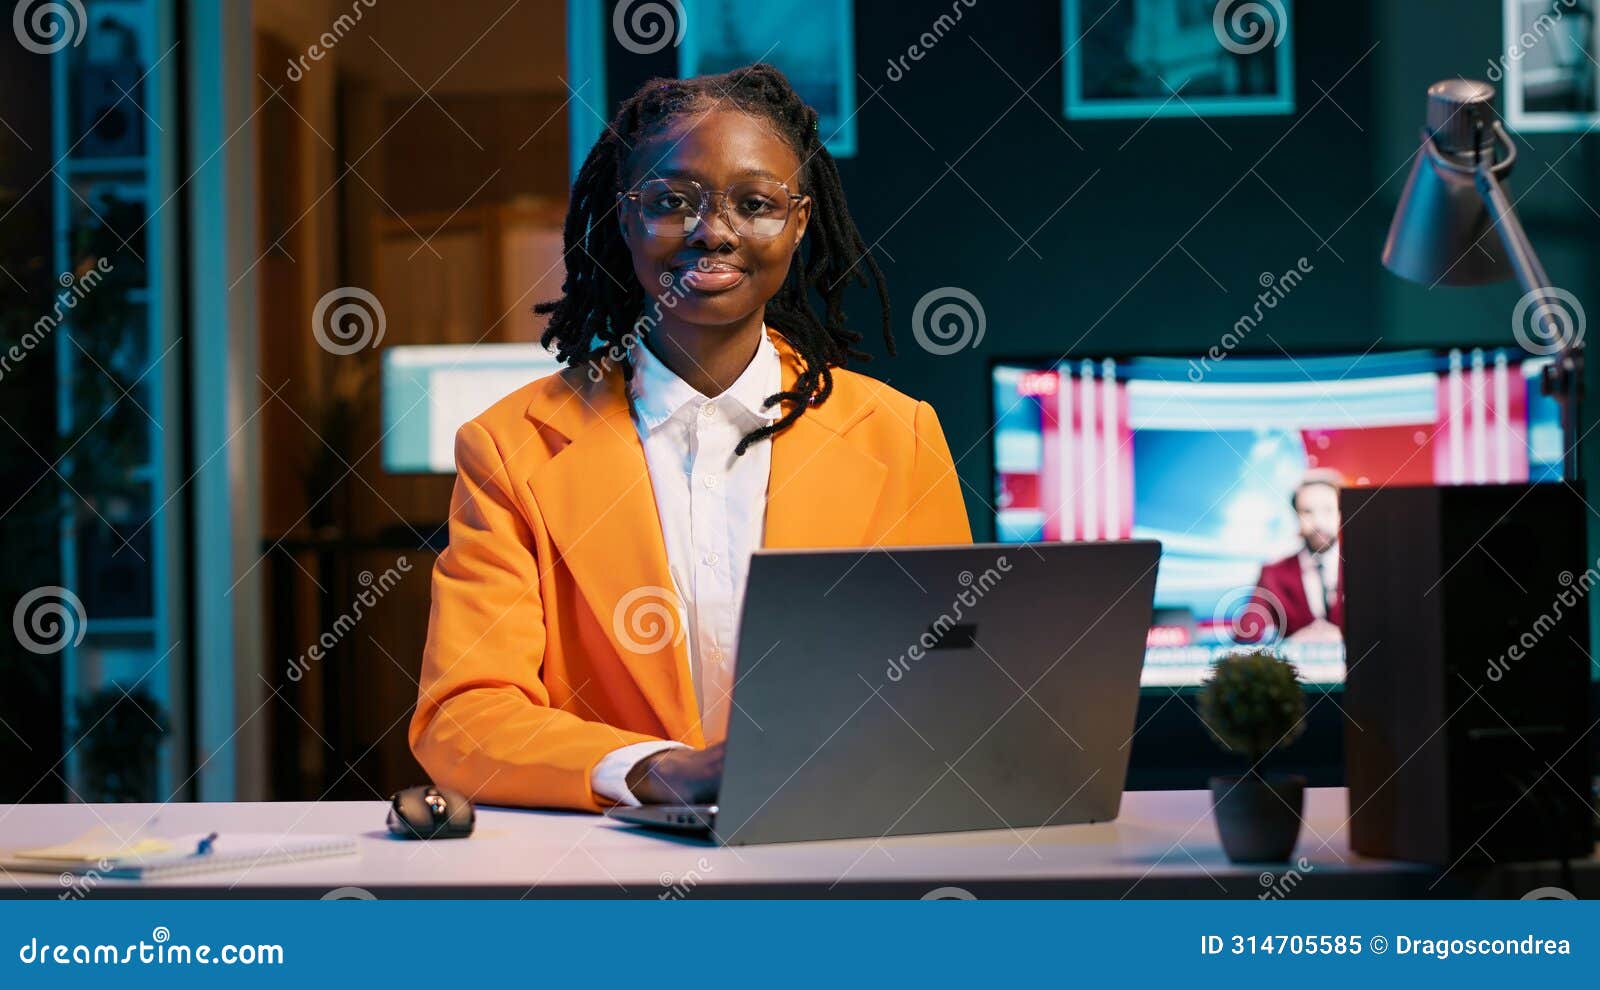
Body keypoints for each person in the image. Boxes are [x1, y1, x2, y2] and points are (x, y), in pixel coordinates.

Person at [408, 64, 971, 813]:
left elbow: (952, 692)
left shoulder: (898, 436)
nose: (713, 231)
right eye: (671, 201)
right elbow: (464, 719)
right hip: (607, 879)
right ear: (624, 216)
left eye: (756, 203)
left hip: (837, 859)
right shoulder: (510, 445)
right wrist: (654, 770)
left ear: (800, 222)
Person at [1242, 469, 1344, 644]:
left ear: (1341, 513)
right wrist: (1290, 646)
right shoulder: (1273, 574)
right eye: (1307, 512)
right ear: (1295, 517)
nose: (1318, 522)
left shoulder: (1366, 567)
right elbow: (1246, 637)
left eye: (1328, 510)